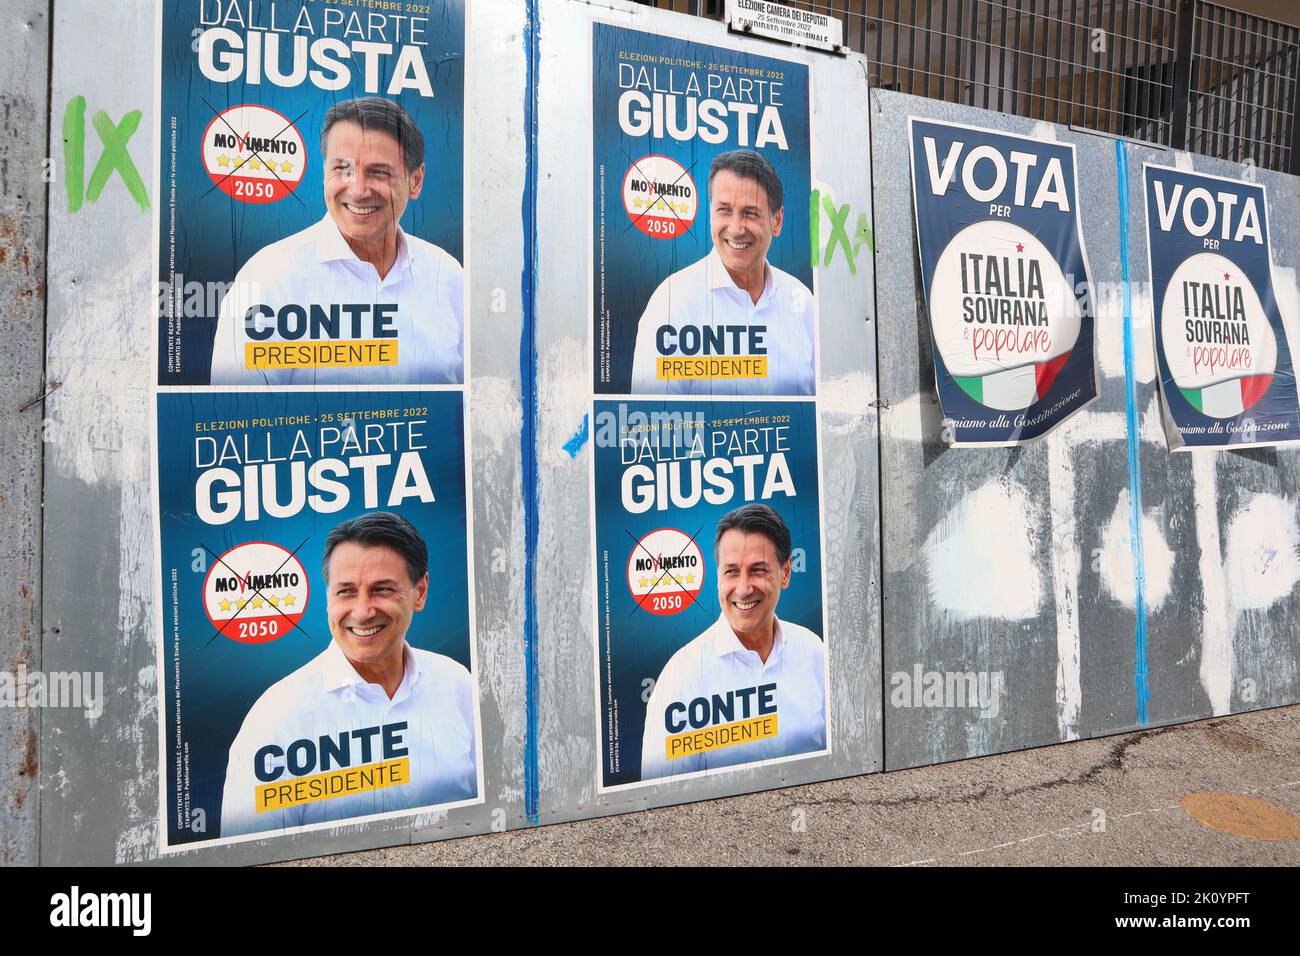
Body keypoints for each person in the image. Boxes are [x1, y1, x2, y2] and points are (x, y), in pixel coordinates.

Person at [220, 512, 477, 837]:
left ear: (420, 592)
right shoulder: (276, 719)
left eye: (382, 589)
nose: (362, 611)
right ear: (328, 598)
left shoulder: (457, 684)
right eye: (346, 591)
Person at [210, 97, 463, 386]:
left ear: (415, 181)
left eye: (378, 172)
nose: (358, 190)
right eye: (342, 169)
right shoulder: (268, 279)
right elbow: (238, 419)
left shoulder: (448, 275)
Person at [640, 504, 825, 781]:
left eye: (758, 570)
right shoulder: (682, 677)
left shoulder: (813, 652)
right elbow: (662, 803)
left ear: (786, 573)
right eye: (731, 572)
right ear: (717, 577)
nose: (743, 588)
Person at [629, 150, 815, 396]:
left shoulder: (801, 301)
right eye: (724, 210)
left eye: (750, 213)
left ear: (777, 221)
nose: (736, 229)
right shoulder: (672, 303)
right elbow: (655, 424)